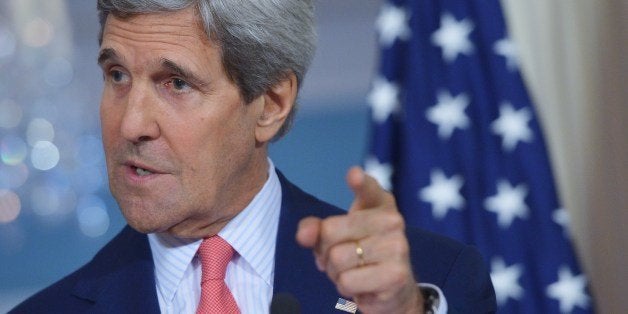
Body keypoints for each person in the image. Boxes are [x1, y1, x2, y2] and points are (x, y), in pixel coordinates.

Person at [12, 0, 496, 313]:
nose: (131, 124)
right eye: (117, 75)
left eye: (176, 83)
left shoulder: (436, 283)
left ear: (271, 104)